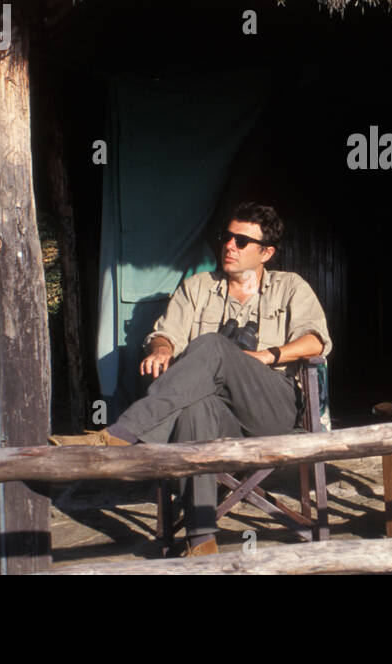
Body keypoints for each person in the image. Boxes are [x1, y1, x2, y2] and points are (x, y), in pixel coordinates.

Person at [51, 202, 331, 556]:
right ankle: (201, 542)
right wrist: (162, 349)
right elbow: (164, 333)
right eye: (226, 237)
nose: (229, 245)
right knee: (195, 408)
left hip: (271, 405)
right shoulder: (197, 287)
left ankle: (121, 436)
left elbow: (316, 341)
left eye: (242, 241)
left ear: (266, 253)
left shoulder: (290, 286)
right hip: (221, 414)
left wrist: (265, 356)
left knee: (212, 346)